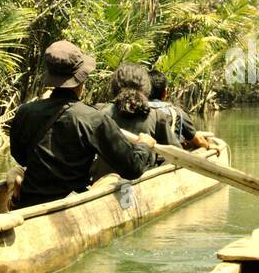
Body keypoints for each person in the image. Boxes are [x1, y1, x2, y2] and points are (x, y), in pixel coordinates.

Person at [8, 41, 157, 208]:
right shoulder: (94, 119)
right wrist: (144, 145)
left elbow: (20, 156)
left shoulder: (25, 111)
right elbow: (132, 169)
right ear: (80, 81)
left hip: (30, 199)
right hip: (70, 203)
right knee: (112, 179)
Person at [148, 68, 220, 150]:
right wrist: (209, 146)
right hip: (166, 160)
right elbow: (197, 140)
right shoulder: (176, 112)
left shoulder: (133, 109)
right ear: (165, 93)